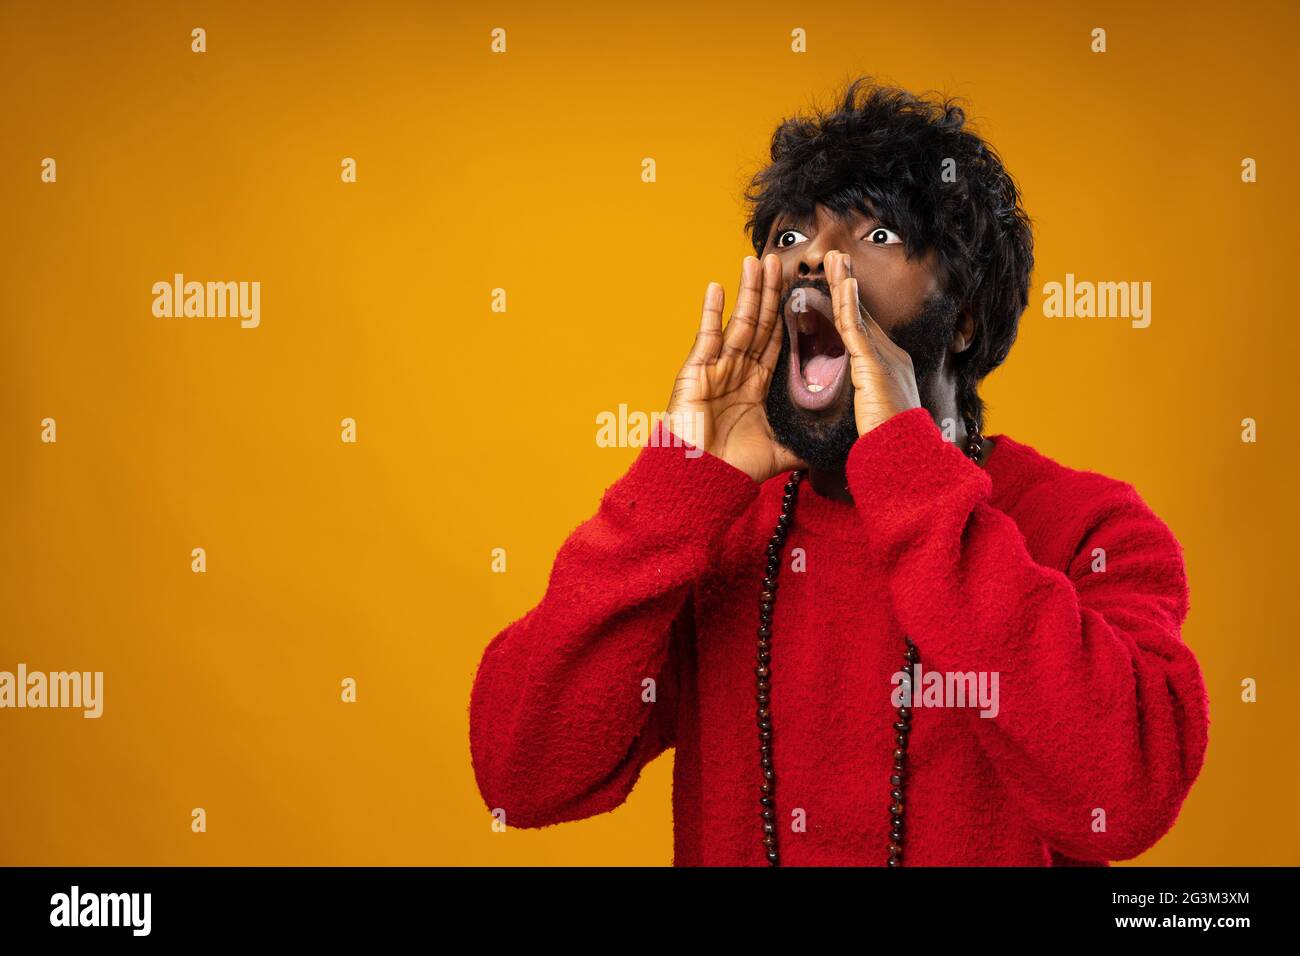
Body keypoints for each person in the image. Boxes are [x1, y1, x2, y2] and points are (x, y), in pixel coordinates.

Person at [468, 76, 1209, 866]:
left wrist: (909, 472)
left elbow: (1122, 798)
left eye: (878, 235)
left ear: (964, 318)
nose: (814, 259)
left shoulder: (1089, 525)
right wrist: (677, 487)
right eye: (790, 238)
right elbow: (522, 776)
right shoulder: (719, 533)